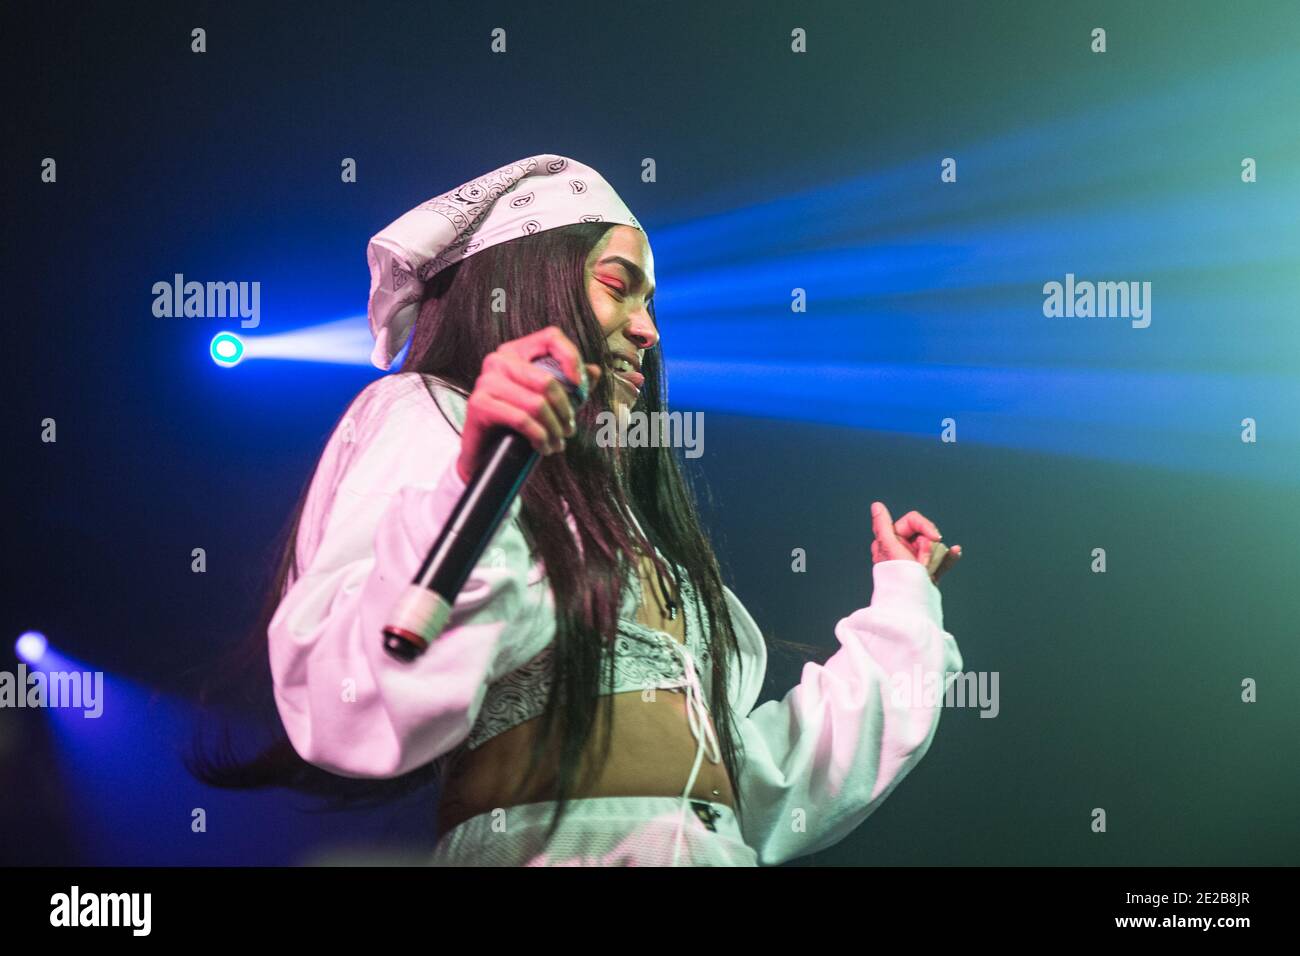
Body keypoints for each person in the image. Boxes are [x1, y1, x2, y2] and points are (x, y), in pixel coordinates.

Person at [261, 153, 965, 866]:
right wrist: (474, 484)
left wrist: (903, 609)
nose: (647, 331)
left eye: (650, 303)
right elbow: (349, 694)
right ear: (525, 283)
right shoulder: (426, 417)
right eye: (618, 287)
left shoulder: (637, 538)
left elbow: (754, 785)